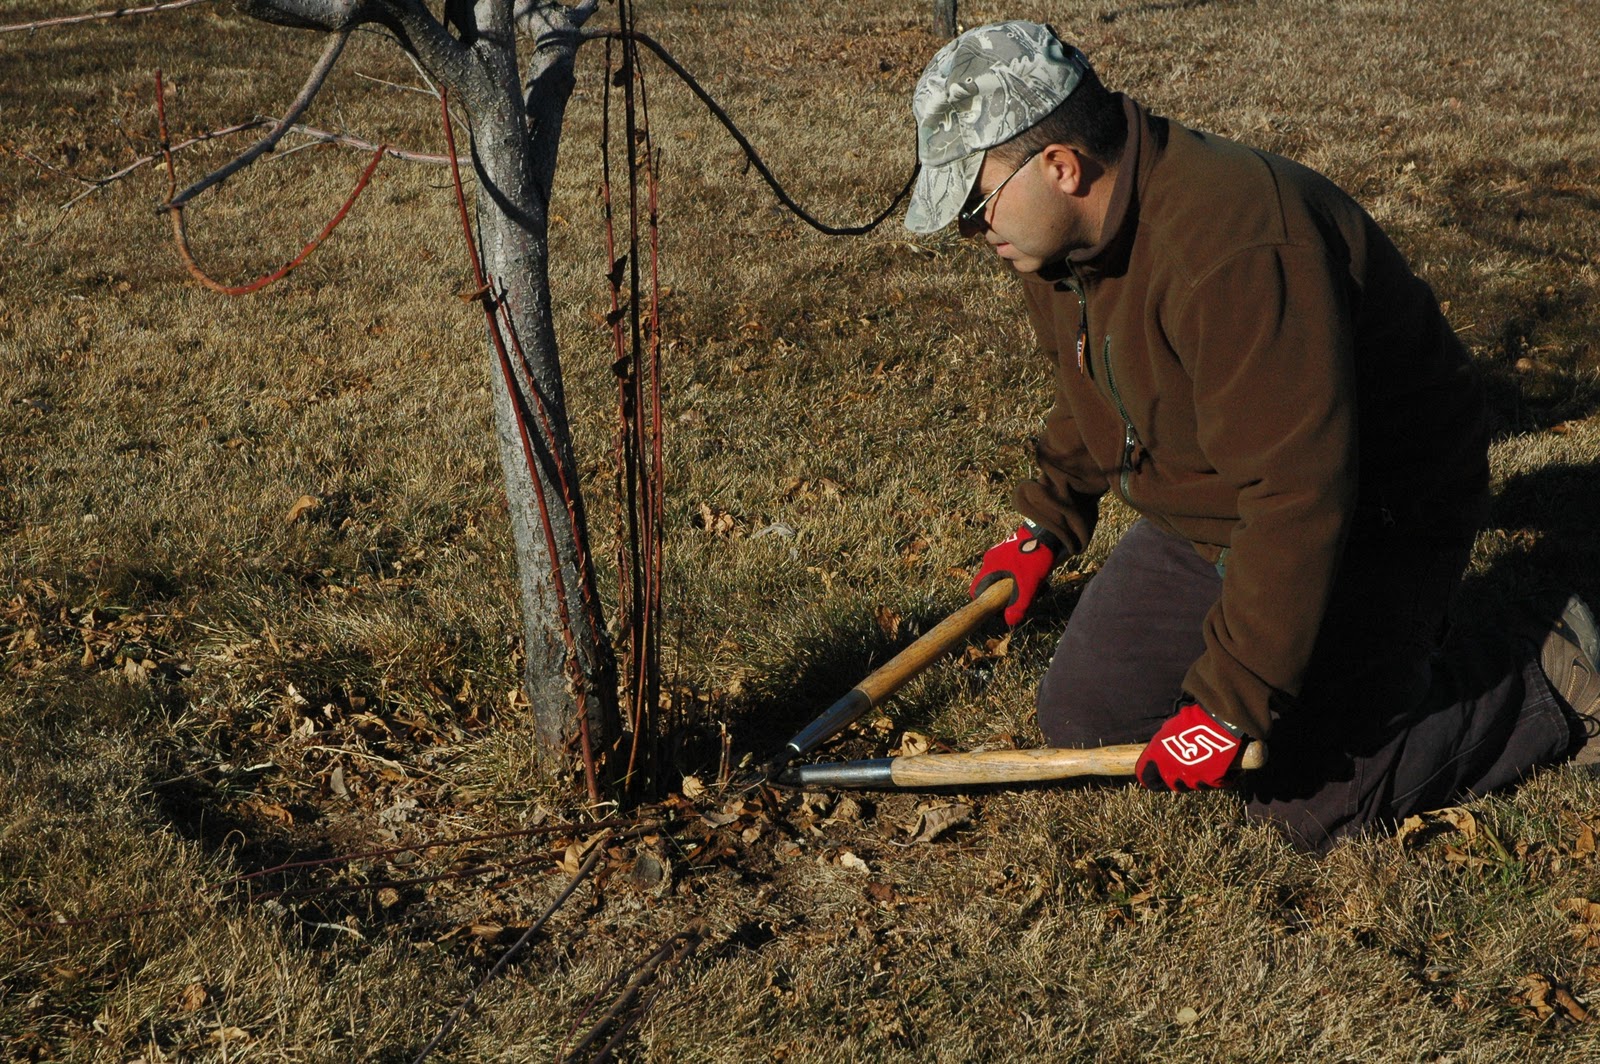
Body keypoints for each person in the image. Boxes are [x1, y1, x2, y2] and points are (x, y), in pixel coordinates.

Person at [906, 20, 1600, 852]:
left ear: (1061, 166)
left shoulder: (1234, 244)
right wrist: (1048, 517)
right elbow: (1100, 383)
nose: (971, 234)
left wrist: (1232, 701)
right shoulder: (1064, 243)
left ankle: (1552, 681)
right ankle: (1354, 666)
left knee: (1303, 800)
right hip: (1218, 508)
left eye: (975, 206)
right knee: (1086, 721)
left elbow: (1300, 496)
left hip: (1369, 515)